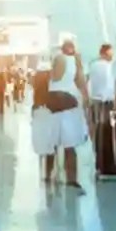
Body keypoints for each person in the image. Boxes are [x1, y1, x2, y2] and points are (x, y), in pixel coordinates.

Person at [44, 38, 90, 190]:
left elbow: (54, 77)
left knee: (53, 142)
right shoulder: (76, 63)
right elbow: (81, 83)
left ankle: (48, 174)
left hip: (55, 102)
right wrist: (86, 99)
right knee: (70, 144)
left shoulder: (59, 59)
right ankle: (72, 178)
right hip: (70, 102)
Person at [87, 44, 116, 134]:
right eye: (110, 55)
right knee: (107, 129)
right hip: (107, 101)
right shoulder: (109, 66)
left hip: (95, 100)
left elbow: (87, 81)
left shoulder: (92, 65)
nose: (112, 57)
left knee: (96, 127)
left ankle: (96, 146)